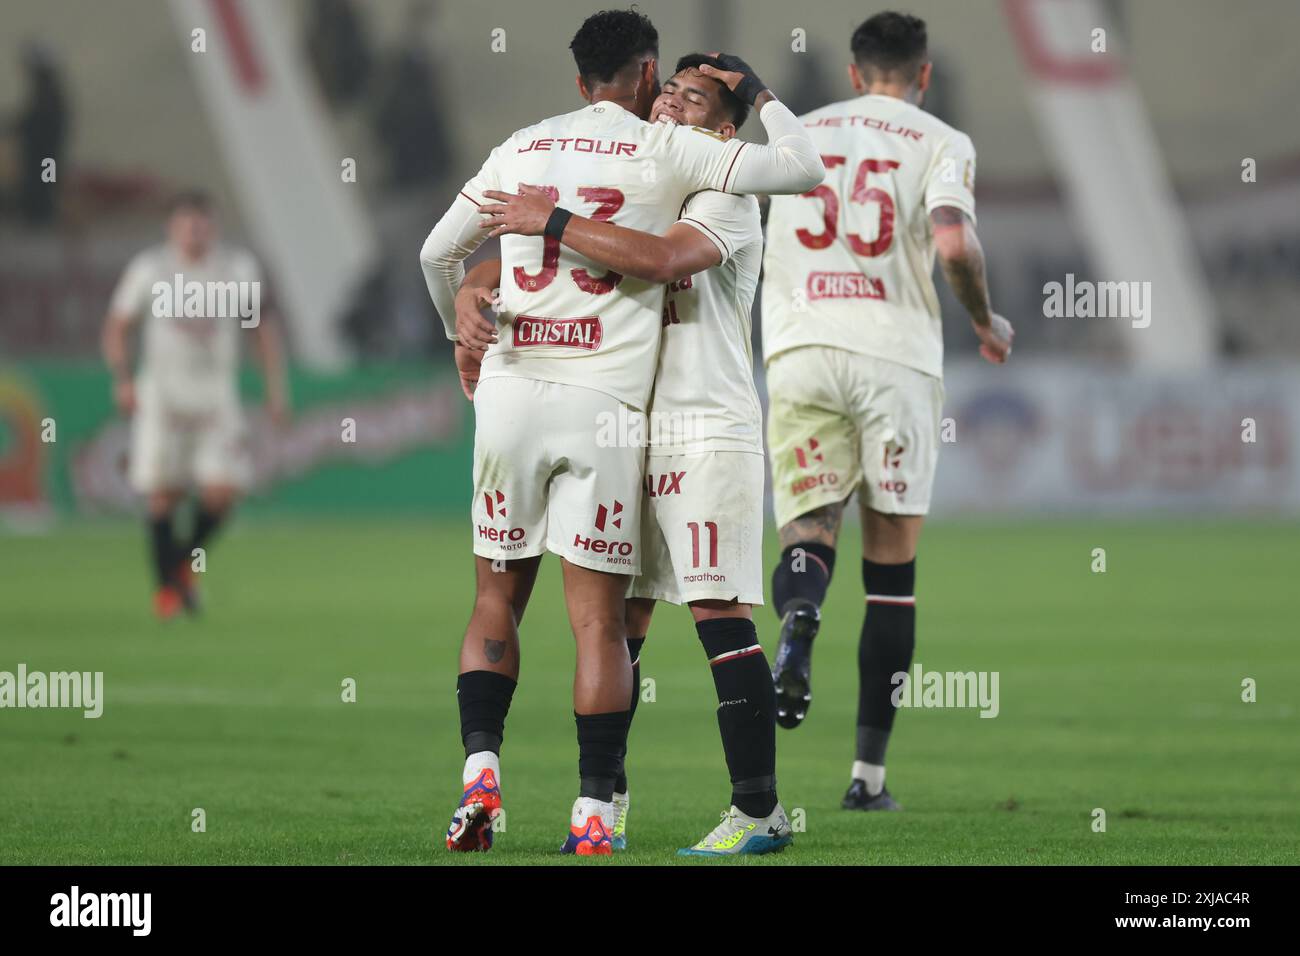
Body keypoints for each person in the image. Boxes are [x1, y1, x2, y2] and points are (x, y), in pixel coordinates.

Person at [419, 9, 822, 855]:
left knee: (715, 609)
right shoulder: (650, 166)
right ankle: (606, 803)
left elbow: (656, 258)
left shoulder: (724, 192)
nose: (671, 101)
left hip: (702, 424)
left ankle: (758, 811)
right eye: (667, 86)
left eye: (693, 97)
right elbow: (549, 253)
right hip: (623, 420)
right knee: (620, 619)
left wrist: (545, 220)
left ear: (723, 129)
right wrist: (477, 288)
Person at [761, 12, 1013, 810]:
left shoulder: (796, 132)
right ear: (924, 74)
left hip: (800, 348)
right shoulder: (941, 139)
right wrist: (981, 317)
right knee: (891, 577)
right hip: (894, 357)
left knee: (809, 530)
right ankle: (867, 779)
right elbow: (952, 244)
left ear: (851, 71)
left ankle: (799, 618)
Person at [101, 191, 288, 619]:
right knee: (163, 495)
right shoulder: (150, 269)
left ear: (214, 226)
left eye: (202, 223)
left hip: (215, 397)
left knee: (222, 492)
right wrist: (123, 379)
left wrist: (276, 389)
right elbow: (117, 326)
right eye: (187, 223)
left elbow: (260, 331)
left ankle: (181, 566)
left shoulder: (236, 269)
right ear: (172, 227)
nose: (195, 231)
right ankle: (168, 591)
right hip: (162, 398)